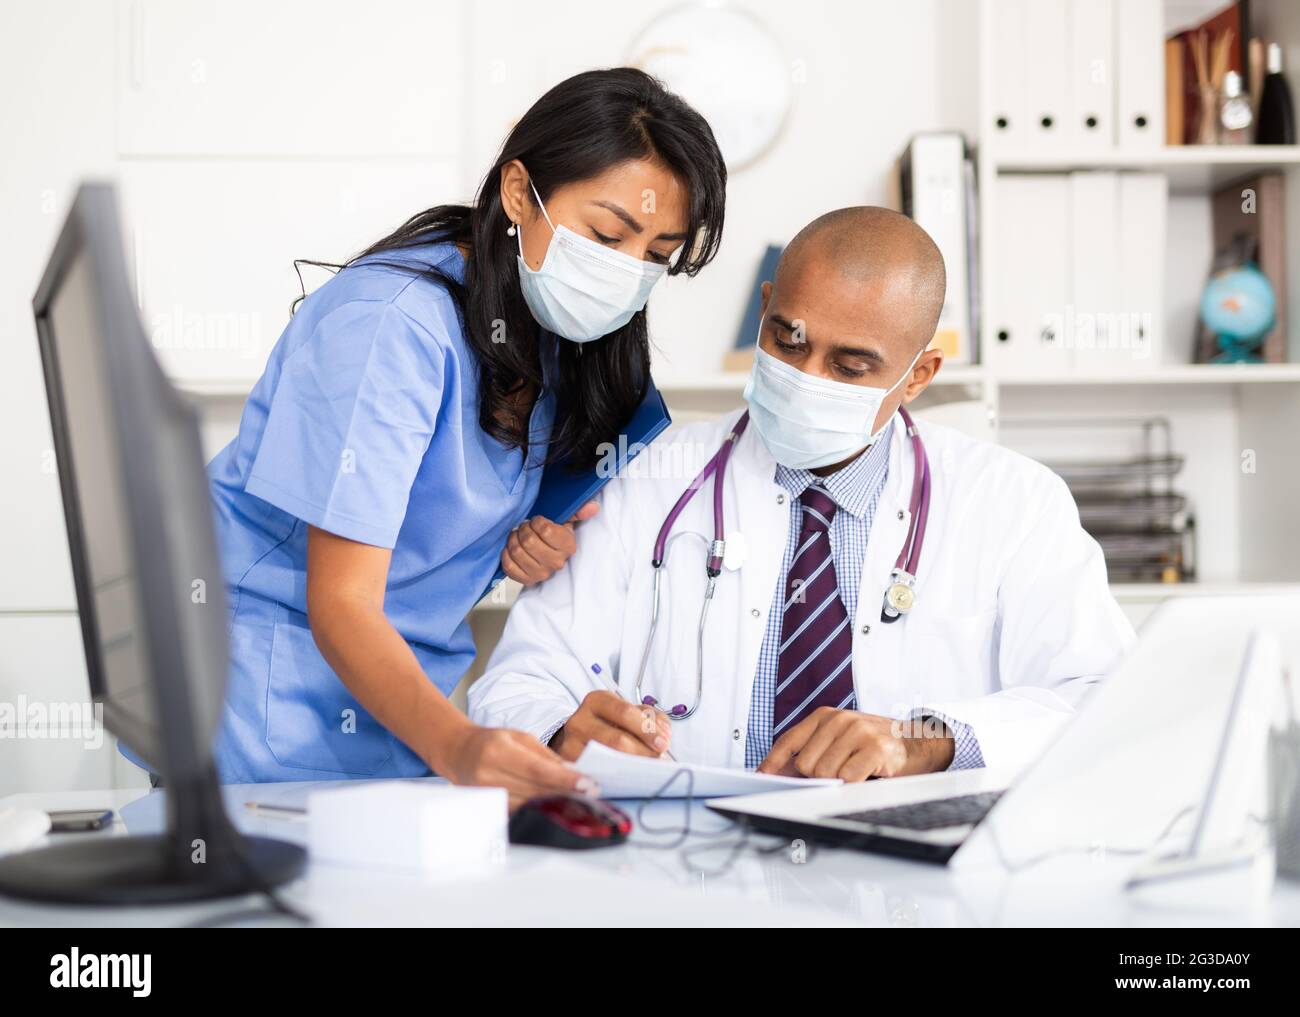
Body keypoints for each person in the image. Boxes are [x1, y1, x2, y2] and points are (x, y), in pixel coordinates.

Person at [172, 68, 726, 798]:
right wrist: (461, 746)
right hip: (262, 705)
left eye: (657, 255)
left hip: (403, 714)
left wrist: (518, 546)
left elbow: (435, 523)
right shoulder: (391, 324)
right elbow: (341, 600)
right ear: (520, 193)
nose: (628, 274)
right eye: (607, 233)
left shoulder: (553, 338)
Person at [468, 207, 1135, 781]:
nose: (806, 375)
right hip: (683, 857)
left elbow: (1105, 696)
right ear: (764, 310)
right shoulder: (644, 473)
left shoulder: (1013, 503)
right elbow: (517, 681)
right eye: (787, 339)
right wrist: (564, 730)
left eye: (849, 365)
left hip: (910, 876)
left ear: (918, 374)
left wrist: (926, 740)